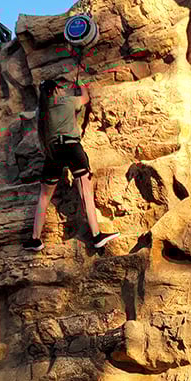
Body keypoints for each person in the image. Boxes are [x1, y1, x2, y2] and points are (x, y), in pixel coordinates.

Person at [23, 78, 119, 251]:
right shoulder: (68, 101)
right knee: (86, 194)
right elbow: (85, 98)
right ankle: (96, 236)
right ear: (56, 90)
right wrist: (81, 84)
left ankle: (35, 239)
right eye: (60, 88)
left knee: (44, 197)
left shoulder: (41, 111)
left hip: (53, 152)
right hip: (72, 148)